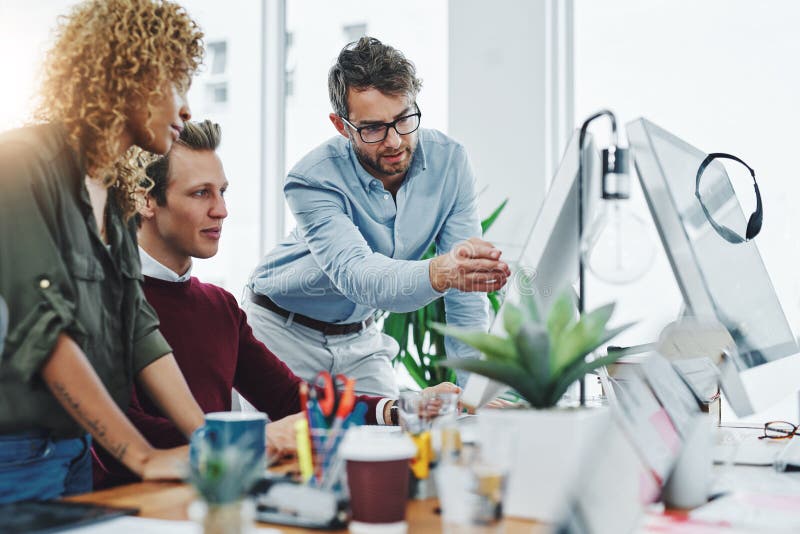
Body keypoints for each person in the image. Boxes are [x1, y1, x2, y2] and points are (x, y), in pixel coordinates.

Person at [92, 119, 459, 487]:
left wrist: (397, 409)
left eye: (222, 191)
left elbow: (289, 399)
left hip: (217, 496)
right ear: (145, 200)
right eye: (200, 193)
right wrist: (257, 439)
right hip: (136, 506)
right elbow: (122, 435)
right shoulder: (102, 302)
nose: (221, 210)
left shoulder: (218, 307)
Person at [0, 0, 208, 503]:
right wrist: (141, 455)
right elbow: (44, 327)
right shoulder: (19, 165)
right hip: (15, 458)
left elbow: (136, 327)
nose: (186, 109)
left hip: (73, 449)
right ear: (130, 75)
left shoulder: (112, 196)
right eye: (176, 82)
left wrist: (210, 441)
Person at [245, 37, 511, 397]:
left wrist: (476, 399)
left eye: (404, 119)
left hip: (359, 339)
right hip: (282, 332)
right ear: (341, 126)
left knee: (394, 440)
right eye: (372, 128)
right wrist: (440, 271)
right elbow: (358, 275)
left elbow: (465, 296)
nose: (394, 141)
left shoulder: (451, 162)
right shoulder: (311, 179)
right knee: (285, 447)